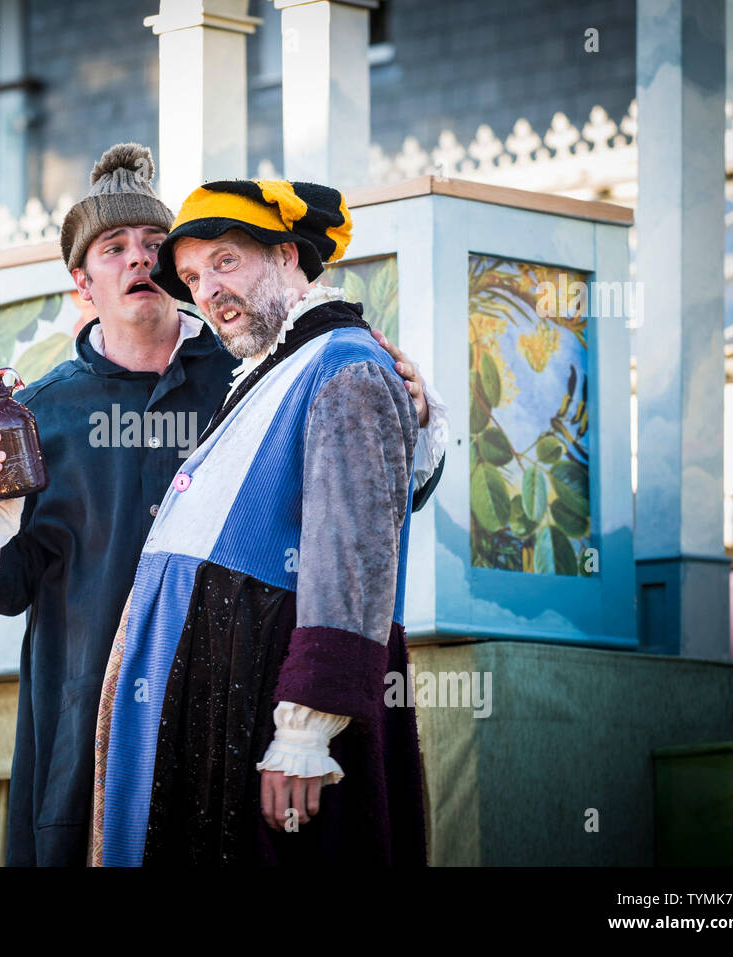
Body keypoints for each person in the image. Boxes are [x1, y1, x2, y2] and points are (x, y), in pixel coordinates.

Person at [0, 145, 447, 866]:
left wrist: (414, 419)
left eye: (155, 246)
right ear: (83, 282)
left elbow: (365, 517)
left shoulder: (253, 371)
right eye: (116, 249)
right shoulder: (40, 416)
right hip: (87, 729)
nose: (143, 261)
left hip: (242, 710)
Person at [93, 178, 429, 867]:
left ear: (286, 255)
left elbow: (354, 558)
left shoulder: (344, 364)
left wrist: (305, 728)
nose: (206, 291)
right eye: (189, 277)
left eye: (224, 261)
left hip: (269, 727)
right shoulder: (273, 372)